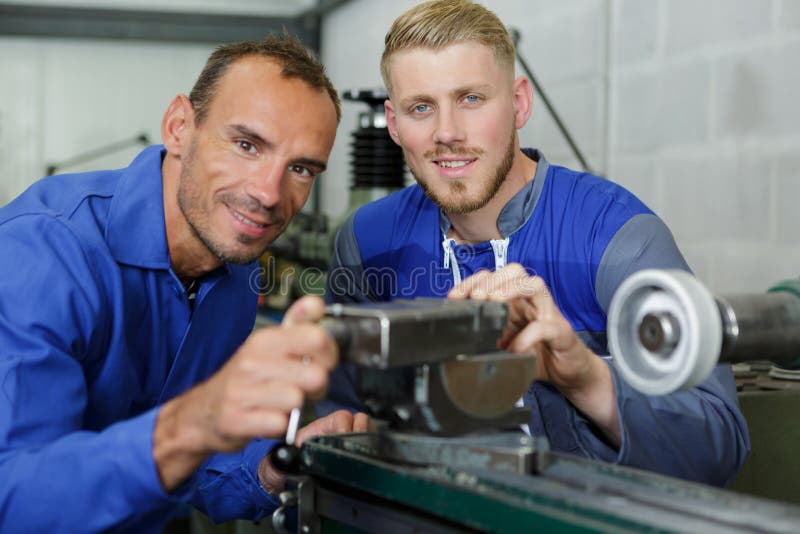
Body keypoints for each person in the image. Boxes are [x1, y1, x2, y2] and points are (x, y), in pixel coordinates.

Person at [320, 0, 749, 487]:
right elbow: (338, 420)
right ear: (394, 124)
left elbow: (719, 446)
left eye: (471, 99)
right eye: (421, 107)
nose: (447, 133)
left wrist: (585, 377)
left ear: (520, 102)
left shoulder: (613, 235)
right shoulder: (366, 243)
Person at [0, 35, 368, 532]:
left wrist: (274, 465)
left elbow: (195, 467)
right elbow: (16, 500)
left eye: (300, 168)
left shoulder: (235, 271)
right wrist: (192, 422)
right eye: (246, 145)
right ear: (178, 127)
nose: (268, 193)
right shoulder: (43, 254)